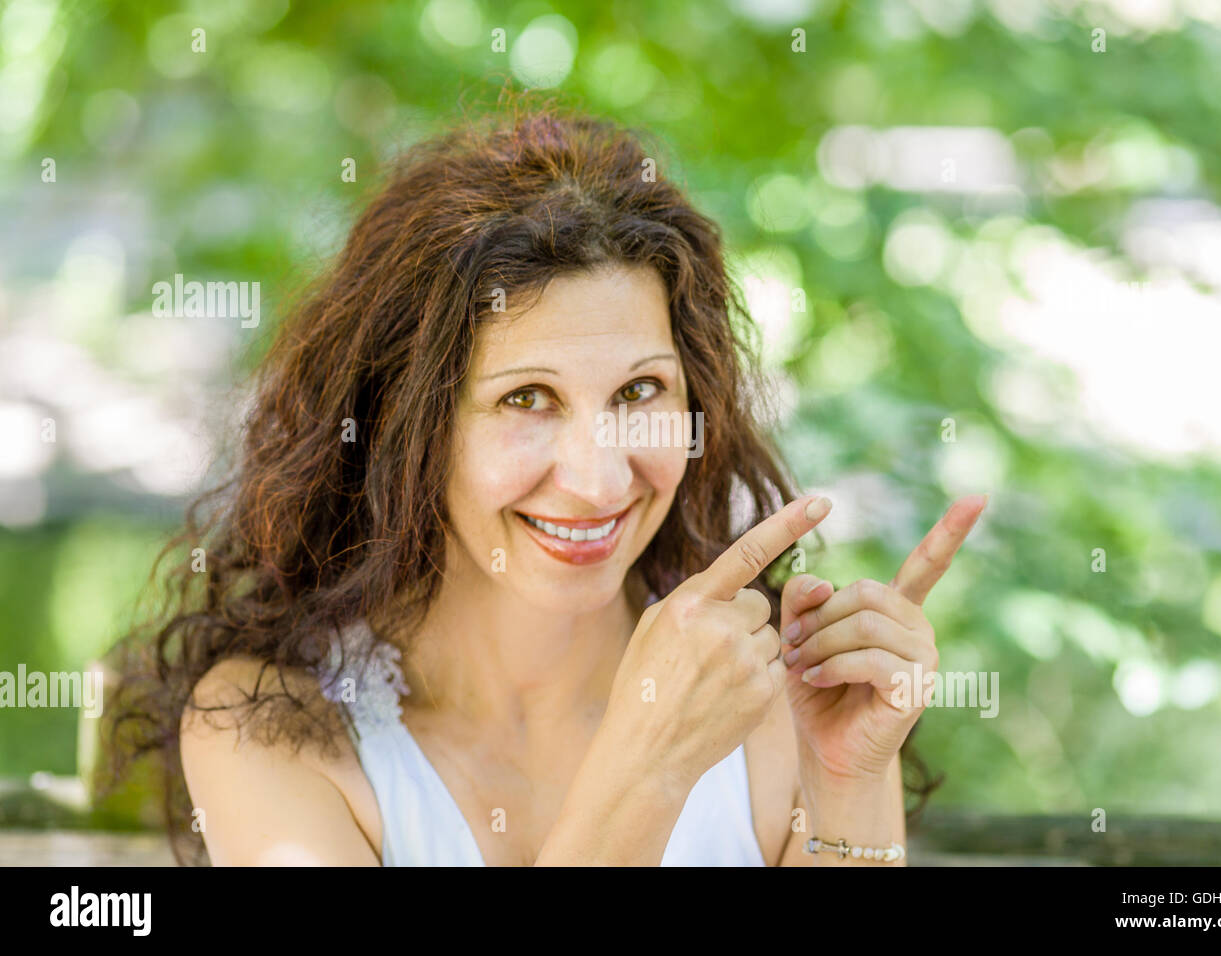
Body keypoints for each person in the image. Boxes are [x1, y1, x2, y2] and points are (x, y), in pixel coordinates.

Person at [103, 95, 985, 866]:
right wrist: (648, 765)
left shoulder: (766, 700)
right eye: (527, 398)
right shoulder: (275, 732)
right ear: (410, 428)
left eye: (640, 391)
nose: (599, 478)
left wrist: (847, 781)